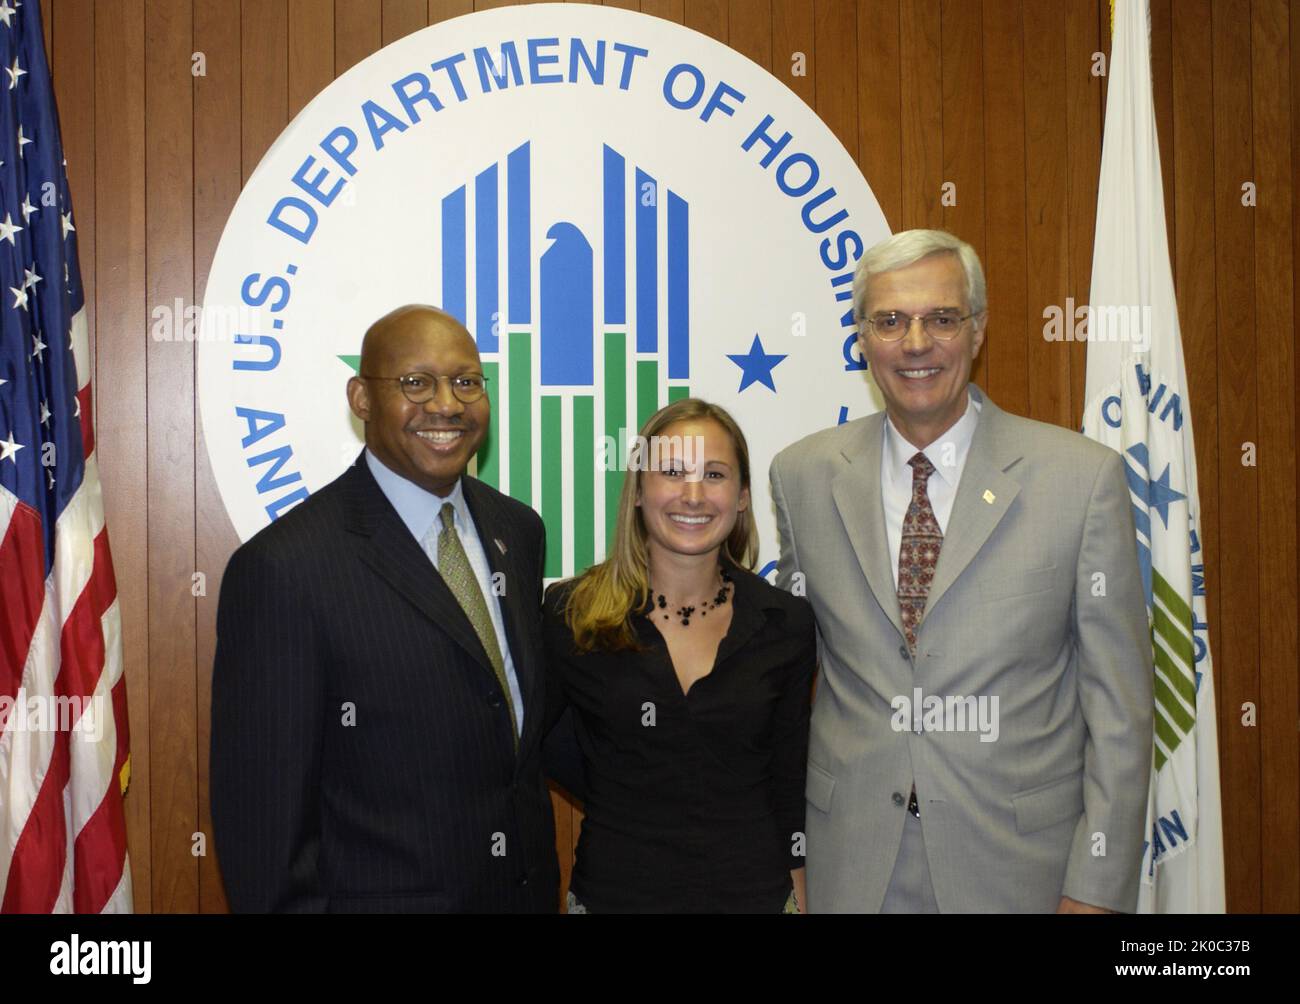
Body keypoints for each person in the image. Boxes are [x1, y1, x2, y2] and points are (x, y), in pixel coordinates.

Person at [769, 229, 1153, 913]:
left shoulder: (1081, 480)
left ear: (977, 330)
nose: (915, 343)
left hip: (1018, 871)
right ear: (862, 336)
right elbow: (787, 684)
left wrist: (1095, 891)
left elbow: (1120, 713)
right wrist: (787, 860)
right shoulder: (802, 476)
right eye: (890, 321)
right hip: (850, 867)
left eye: (942, 318)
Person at [211, 304, 558, 912]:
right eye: (415, 383)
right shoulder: (285, 568)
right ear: (361, 398)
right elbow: (264, 836)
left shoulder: (517, 531)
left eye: (466, 381)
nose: (447, 404)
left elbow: (519, 737)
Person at [542, 399, 816, 913]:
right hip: (614, 894)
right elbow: (554, 747)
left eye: (714, 474)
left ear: (741, 498)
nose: (693, 495)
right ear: (640, 492)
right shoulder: (570, 615)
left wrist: (801, 895)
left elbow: (788, 781)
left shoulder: (786, 624)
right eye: (672, 472)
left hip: (753, 895)